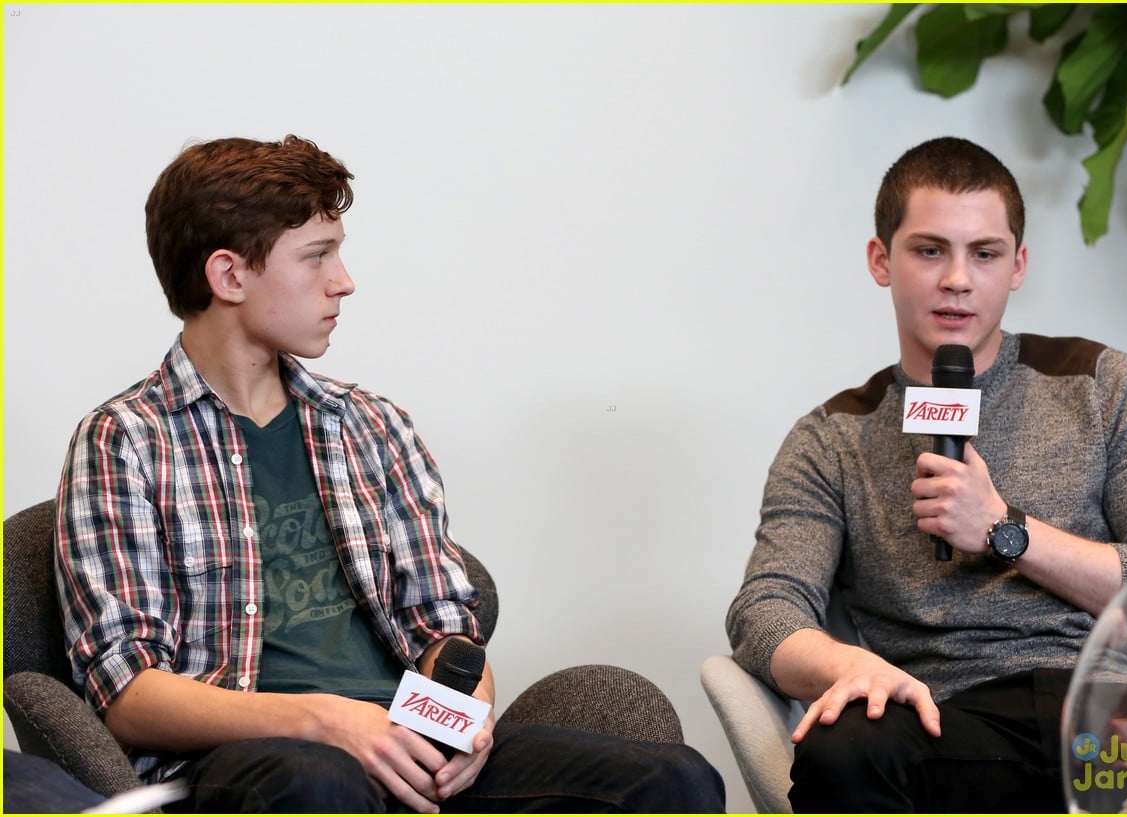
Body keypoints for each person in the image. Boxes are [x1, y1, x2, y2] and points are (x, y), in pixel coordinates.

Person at [55, 134, 725, 813]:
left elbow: (445, 628)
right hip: (257, 765)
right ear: (229, 276)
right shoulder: (125, 441)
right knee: (319, 780)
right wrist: (325, 721)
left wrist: (458, 725)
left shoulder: (370, 424)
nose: (343, 280)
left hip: (406, 749)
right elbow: (127, 690)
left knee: (675, 780)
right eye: (316, 256)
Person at [725, 136, 1127, 812]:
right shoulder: (831, 438)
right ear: (881, 260)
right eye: (930, 250)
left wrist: (1005, 530)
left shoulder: (1102, 385)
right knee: (843, 749)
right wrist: (851, 664)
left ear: (1017, 265)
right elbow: (764, 612)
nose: (958, 278)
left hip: (1126, 718)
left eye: (983, 254)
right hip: (952, 720)